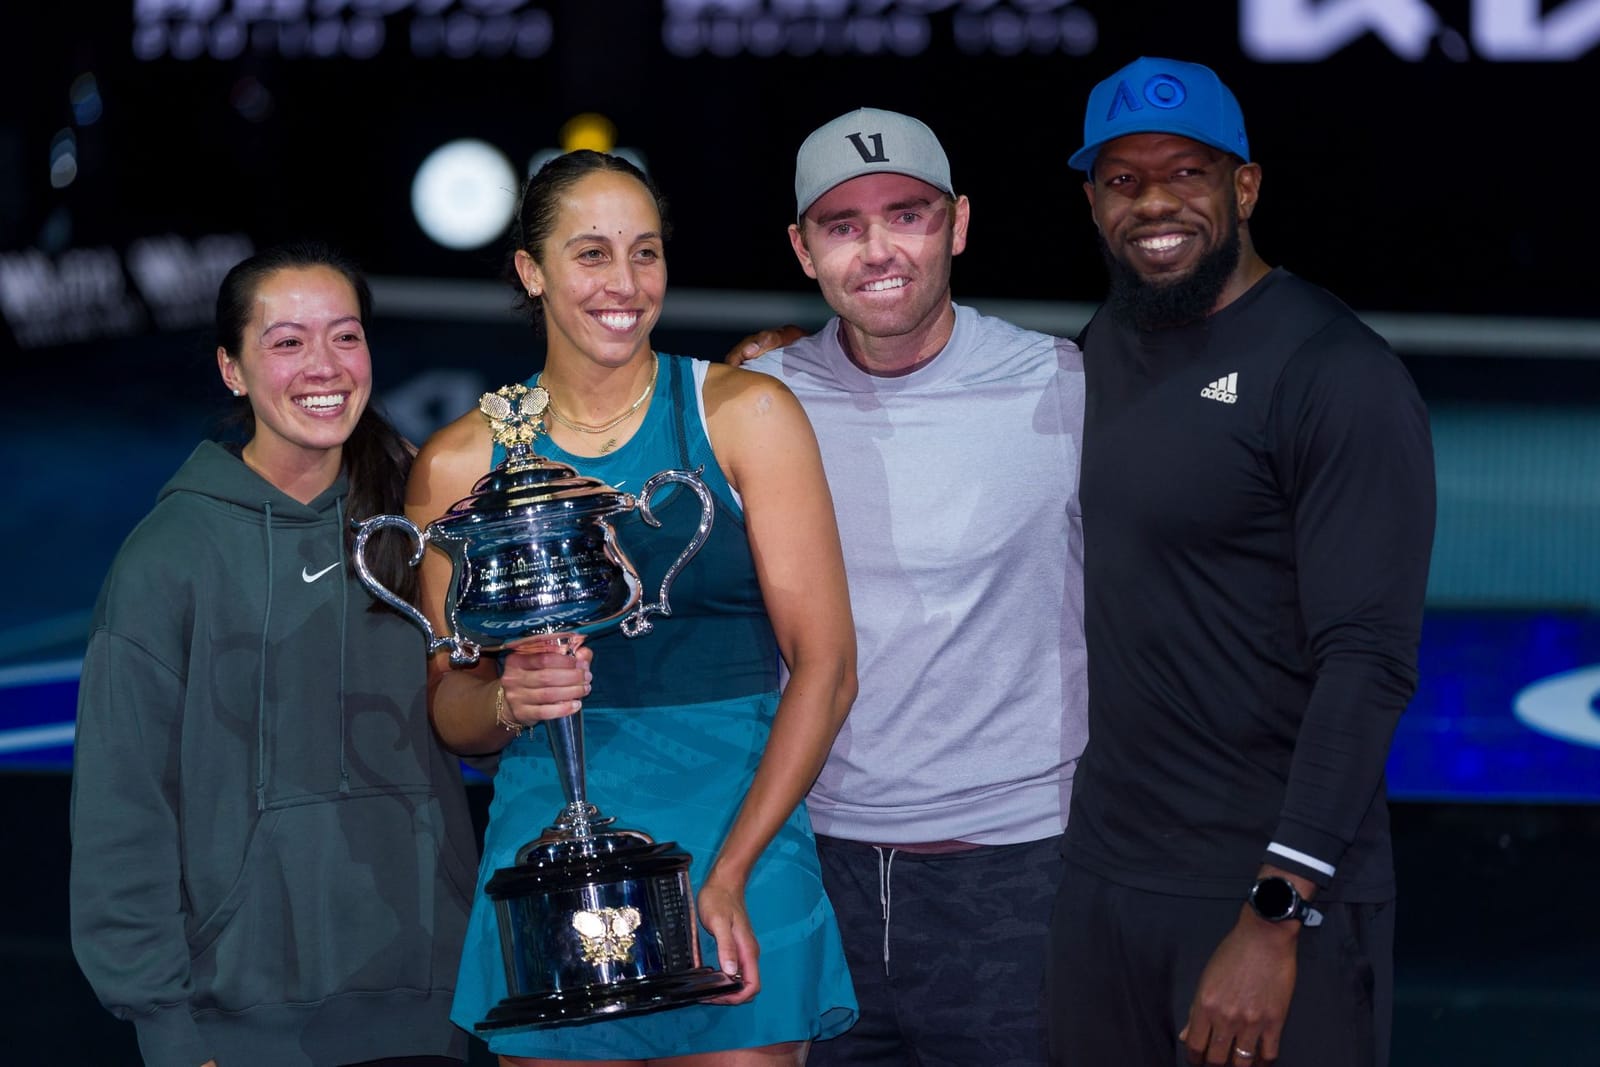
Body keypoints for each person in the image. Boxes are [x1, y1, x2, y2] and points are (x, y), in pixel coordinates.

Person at [407, 149, 859, 1065]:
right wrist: (505, 699)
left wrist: (731, 870)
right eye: (592, 253)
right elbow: (453, 710)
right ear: (532, 272)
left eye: (645, 252)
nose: (625, 283)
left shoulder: (746, 413)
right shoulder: (458, 465)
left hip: (739, 830)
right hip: (548, 849)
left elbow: (829, 667)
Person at [1044, 57, 1435, 1067]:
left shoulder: (1334, 372)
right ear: (1092, 201)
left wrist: (1276, 910)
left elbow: (1369, 660)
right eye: (1124, 180)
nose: (1155, 203)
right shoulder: (1102, 346)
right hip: (1103, 886)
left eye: (1187, 174)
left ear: (1243, 188)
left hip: (1261, 896)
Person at [69, 241, 478, 1067]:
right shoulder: (168, 555)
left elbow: (480, 721)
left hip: (430, 1008)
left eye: (346, 335)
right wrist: (170, 1031)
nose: (323, 366)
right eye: (287, 341)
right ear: (232, 368)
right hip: (241, 1030)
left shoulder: (419, 527)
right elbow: (124, 811)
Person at [738, 109, 1087, 1066]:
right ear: (803, 250)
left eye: (908, 214)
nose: (879, 249)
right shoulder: (752, 403)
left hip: (1016, 876)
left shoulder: (1064, 386)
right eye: (844, 226)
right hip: (807, 870)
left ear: (959, 224)